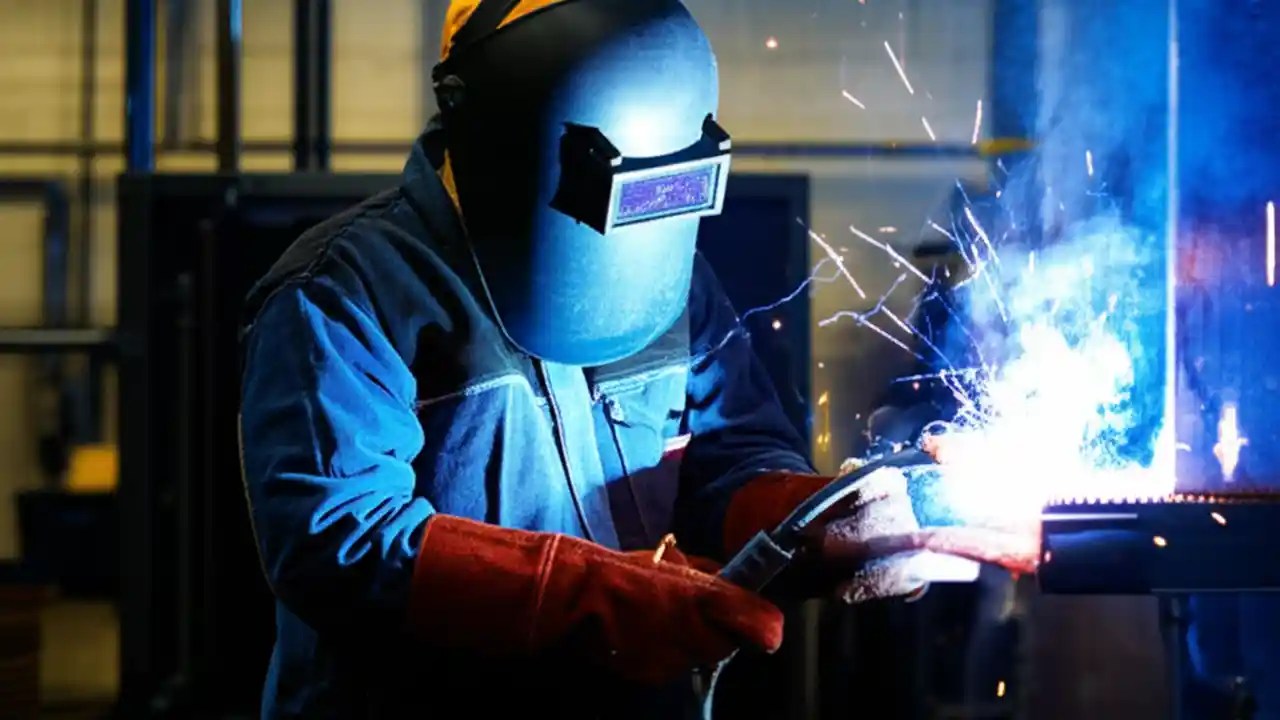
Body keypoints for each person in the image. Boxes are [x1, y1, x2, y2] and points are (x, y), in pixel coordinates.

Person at [237, 1, 937, 717]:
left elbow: (729, 456)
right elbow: (339, 543)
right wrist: (586, 594)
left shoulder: (670, 275)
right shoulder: (342, 293)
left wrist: (806, 521)